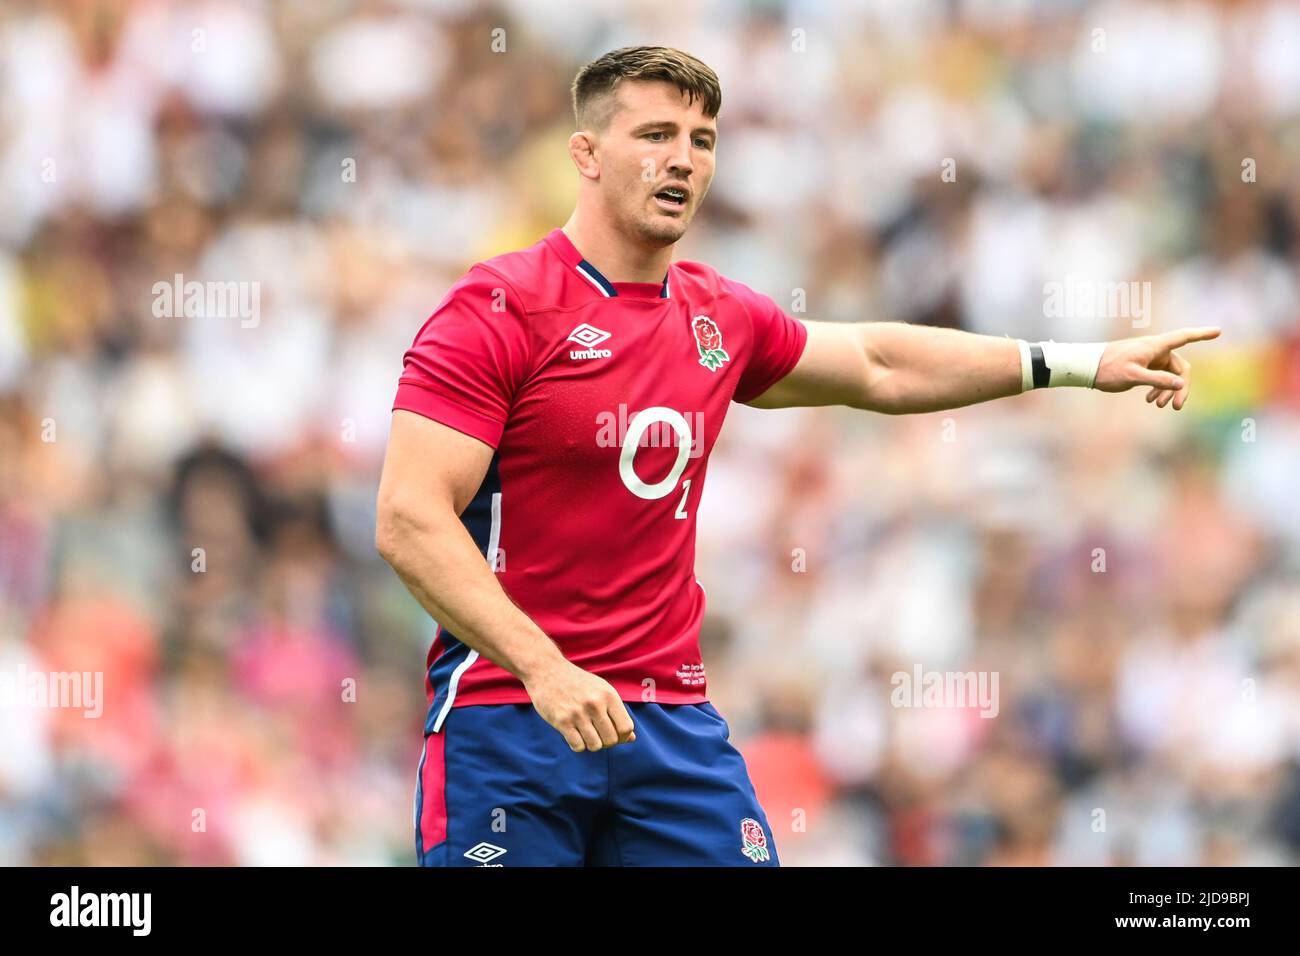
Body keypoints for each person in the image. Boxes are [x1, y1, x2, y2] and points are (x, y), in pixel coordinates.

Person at [374, 45, 1220, 867]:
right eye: (655, 135)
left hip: (667, 723)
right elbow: (411, 519)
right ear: (585, 154)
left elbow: (877, 365)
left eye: (702, 142)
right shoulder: (497, 309)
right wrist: (544, 668)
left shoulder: (717, 316)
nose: (683, 161)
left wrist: (1076, 364)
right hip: (511, 715)